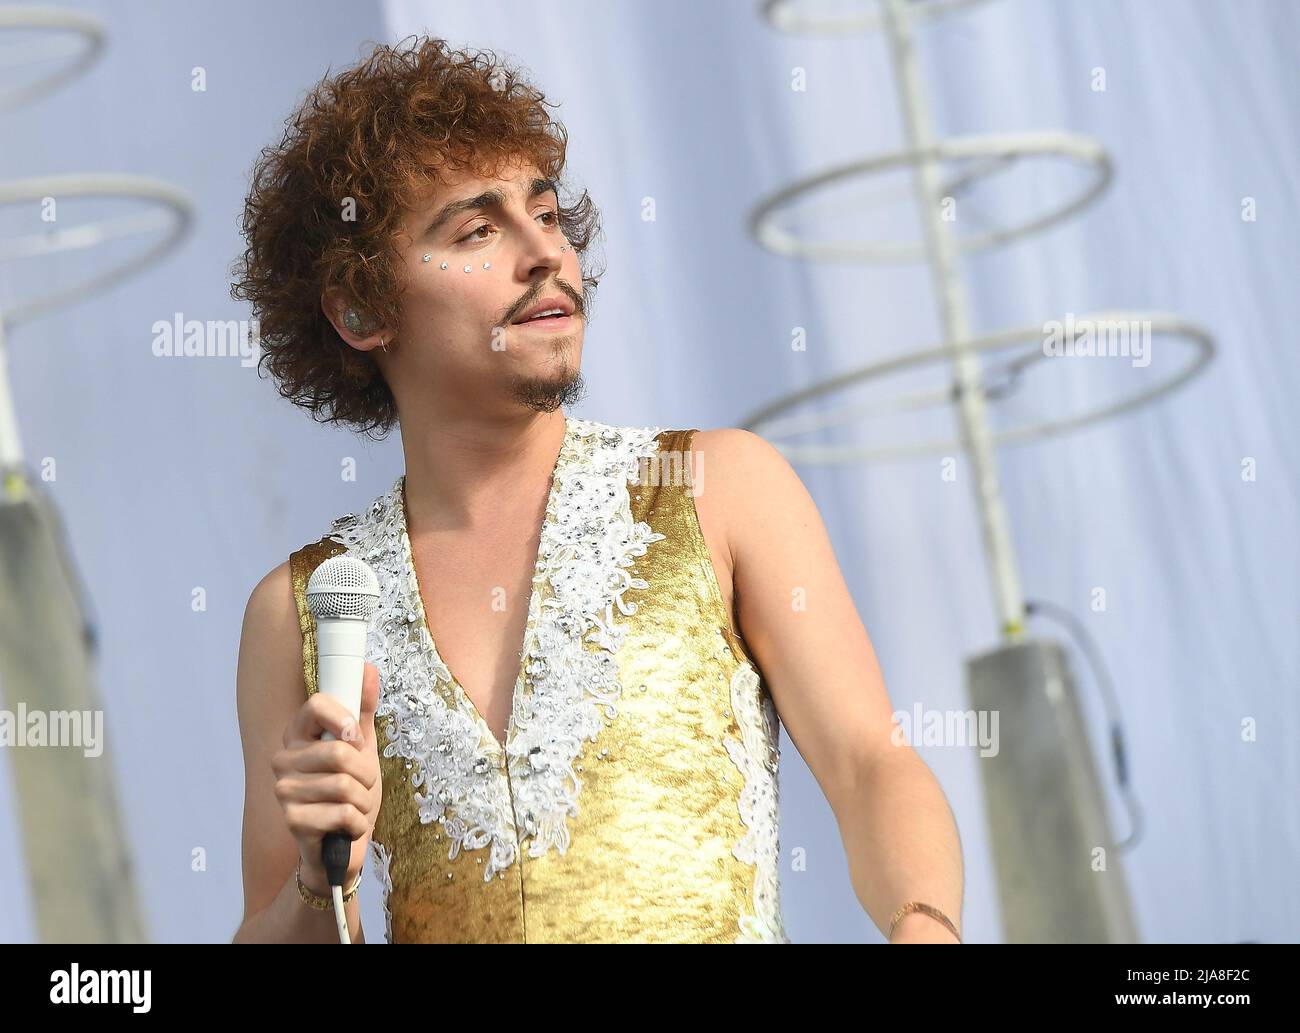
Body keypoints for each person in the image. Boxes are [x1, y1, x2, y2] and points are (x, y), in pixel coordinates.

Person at [230, 35, 962, 944]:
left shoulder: (717, 486)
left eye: (547, 213)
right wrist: (316, 876)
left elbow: (869, 765)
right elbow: (270, 924)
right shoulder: (300, 611)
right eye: (478, 229)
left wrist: (926, 929)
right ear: (361, 309)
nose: (546, 251)